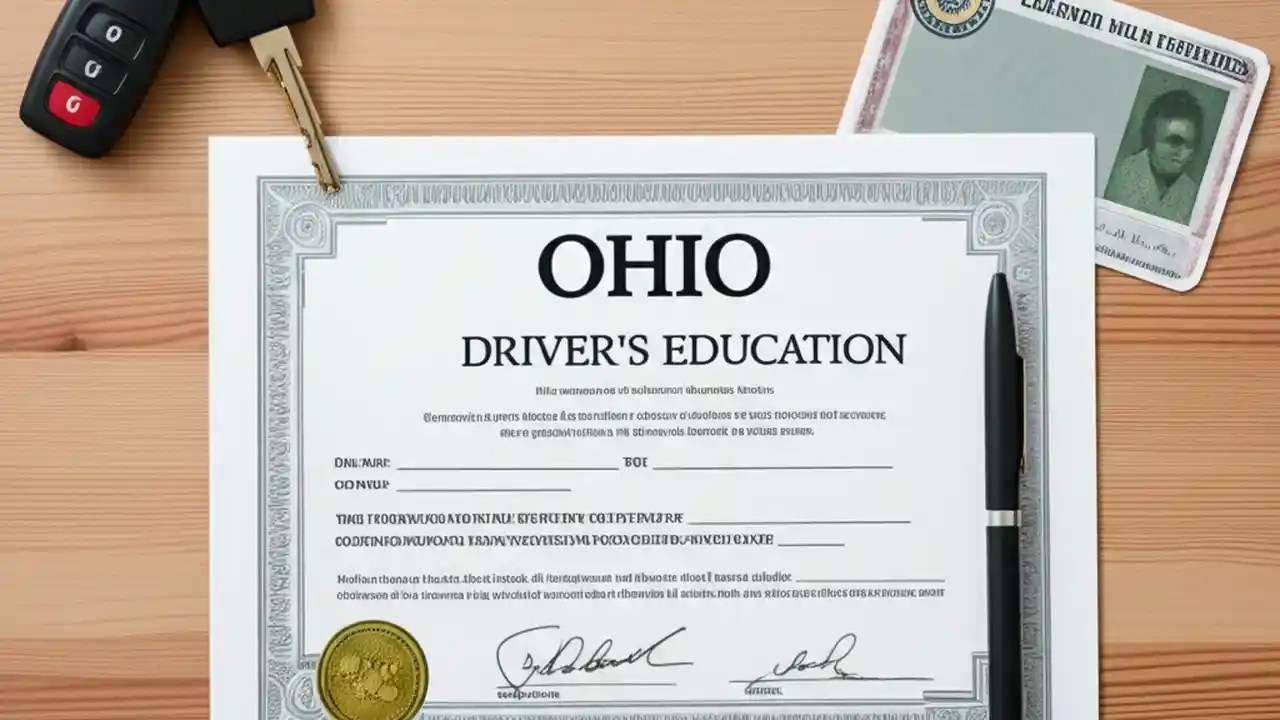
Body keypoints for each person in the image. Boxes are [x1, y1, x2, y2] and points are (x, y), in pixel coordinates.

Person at [1104, 89, 1204, 225]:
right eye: (1174, 141)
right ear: (1151, 137)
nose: (1186, 154)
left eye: (1191, 145)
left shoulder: (1196, 197)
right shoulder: (1114, 177)